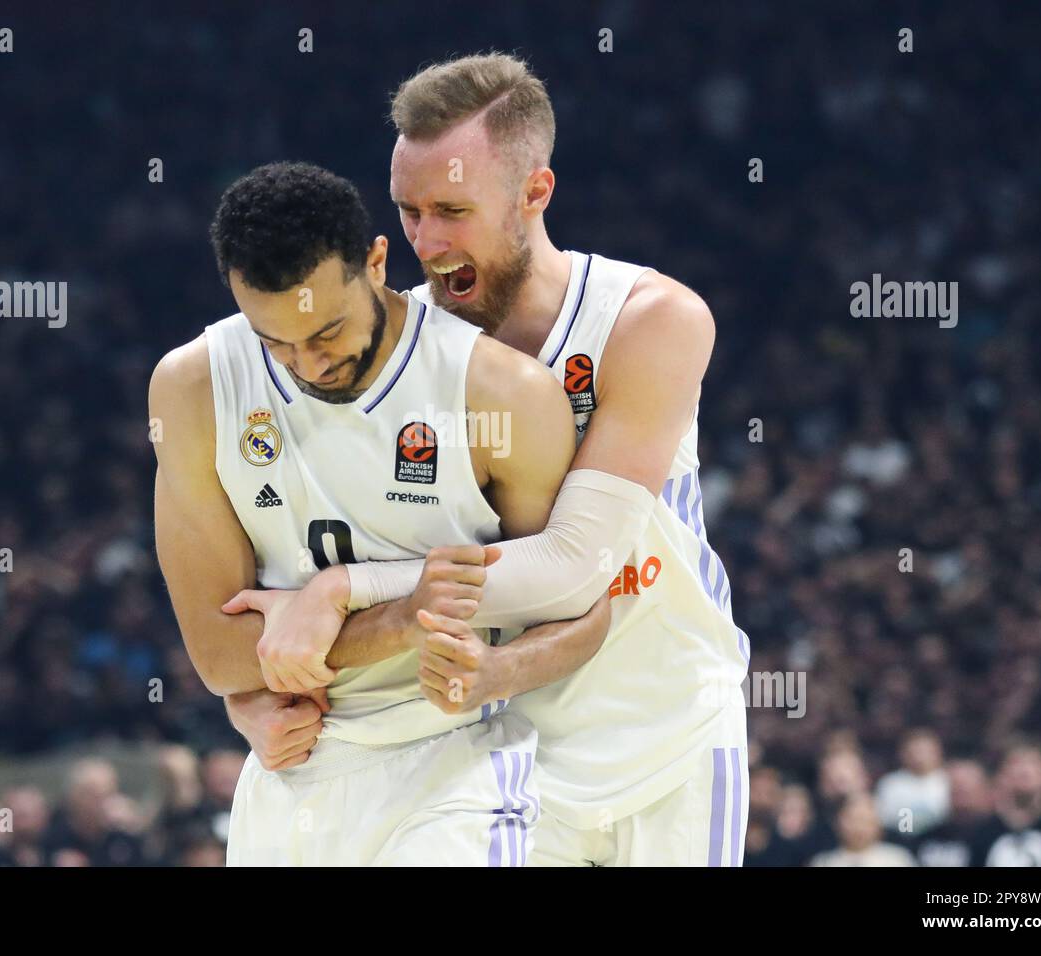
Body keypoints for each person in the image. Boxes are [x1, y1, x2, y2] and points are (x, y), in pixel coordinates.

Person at [227, 53, 748, 866]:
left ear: (535, 193)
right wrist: (249, 698)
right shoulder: (398, 347)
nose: (427, 243)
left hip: (664, 730)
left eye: (452, 210)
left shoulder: (650, 320)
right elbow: (296, 561)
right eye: (408, 212)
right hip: (493, 753)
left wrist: (344, 590)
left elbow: (576, 563)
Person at [150, 161, 608, 865]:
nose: (306, 364)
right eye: (276, 341)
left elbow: (583, 609)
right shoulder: (193, 387)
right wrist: (392, 623)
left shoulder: (498, 392)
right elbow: (217, 657)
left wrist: (499, 670)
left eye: (326, 332)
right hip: (292, 766)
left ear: (376, 262)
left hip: (456, 762)